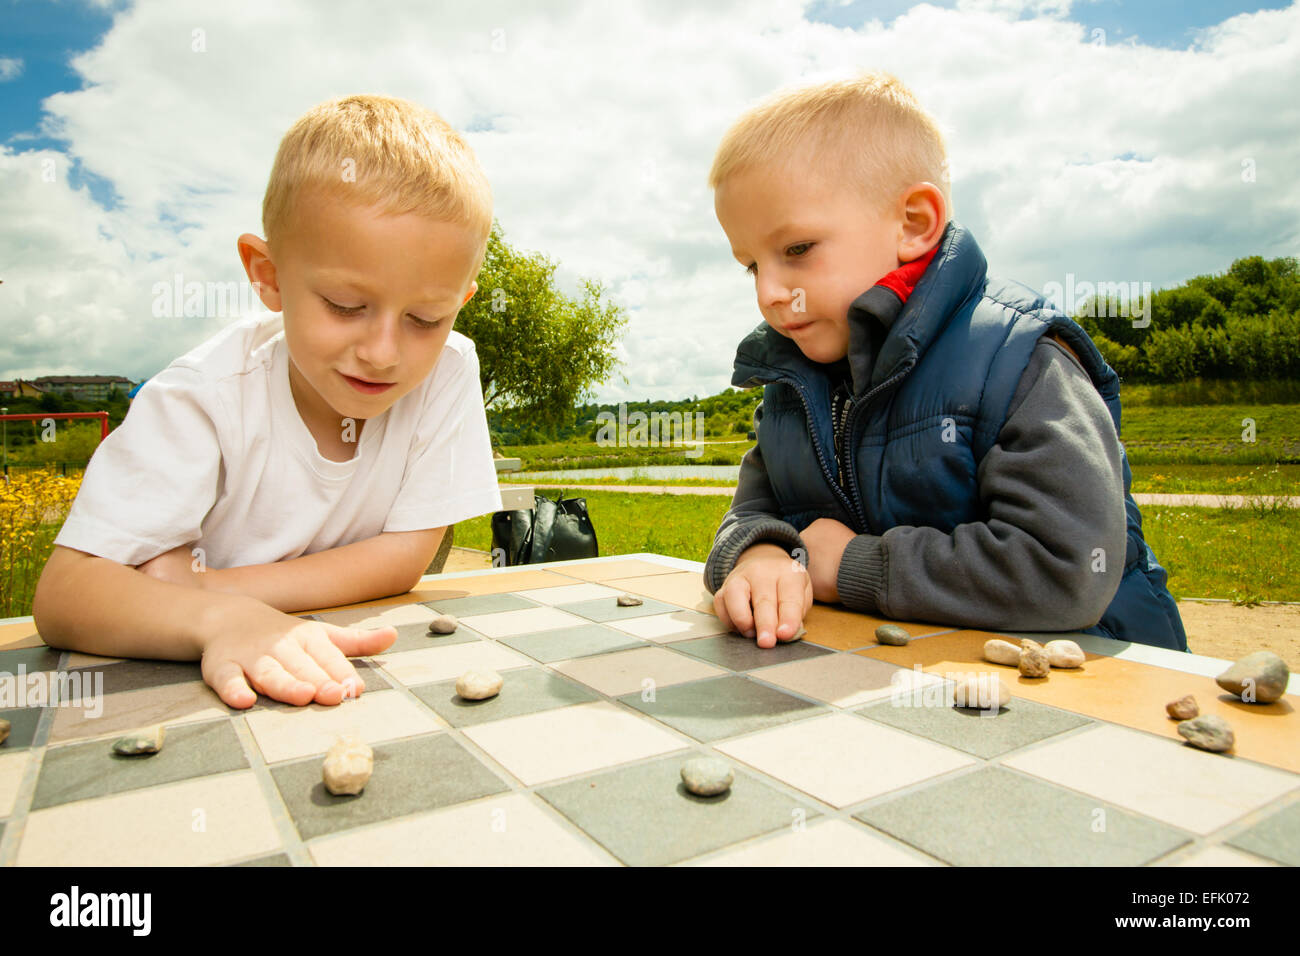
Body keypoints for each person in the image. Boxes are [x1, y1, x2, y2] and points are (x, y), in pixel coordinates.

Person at [34, 95, 503, 707]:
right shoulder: (199, 399)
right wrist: (222, 622)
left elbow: (403, 557)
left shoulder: (448, 368)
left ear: (460, 302)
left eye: (425, 316)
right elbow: (66, 596)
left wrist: (201, 588)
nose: (384, 352)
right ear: (268, 274)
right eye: (343, 304)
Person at [703, 72, 1188, 653]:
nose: (769, 294)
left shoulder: (1018, 358)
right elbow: (750, 514)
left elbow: (1067, 565)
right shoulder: (791, 389)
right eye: (752, 265)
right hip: (908, 683)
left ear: (914, 223)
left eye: (797, 250)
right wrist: (758, 552)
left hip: (1090, 688)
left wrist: (854, 567)